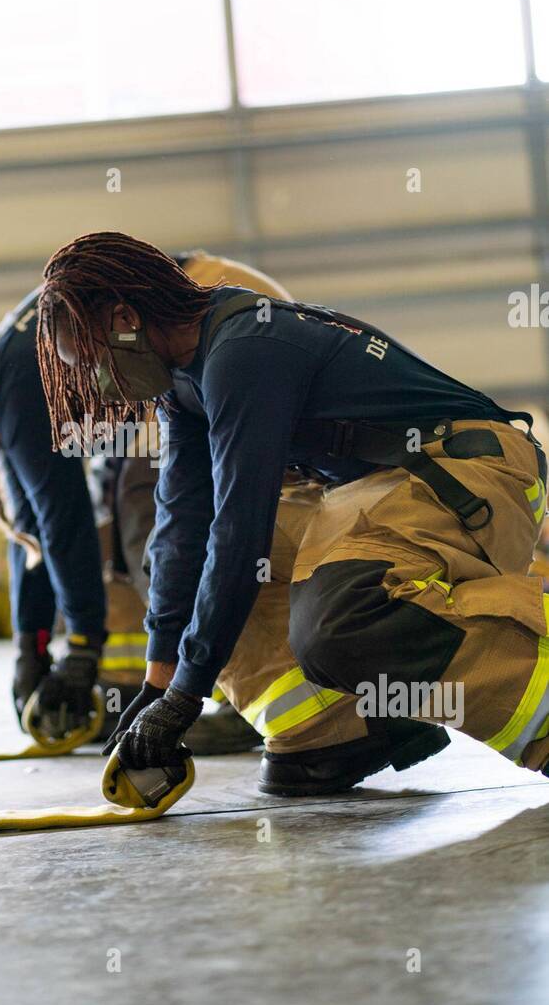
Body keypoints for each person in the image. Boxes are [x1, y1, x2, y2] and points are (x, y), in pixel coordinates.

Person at [35, 230, 549, 795]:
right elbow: (182, 527)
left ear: (125, 317)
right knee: (177, 567)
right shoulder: (184, 380)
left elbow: (239, 532)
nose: (98, 383)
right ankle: (337, 732)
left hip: (461, 469)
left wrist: (187, 695)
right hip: (367, 487)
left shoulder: (244, 350)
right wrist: (156, 688)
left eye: (93, 359)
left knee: (342, 616)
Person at [0, 251, 292, 750]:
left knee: (151, 519)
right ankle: (151, 680)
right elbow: (29, 531)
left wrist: (81, 652)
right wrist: (31, 649)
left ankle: (255, 692)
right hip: (192, 337)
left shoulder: (16, 380)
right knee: (117, 514)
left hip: (224, 319)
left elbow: (60, 520)